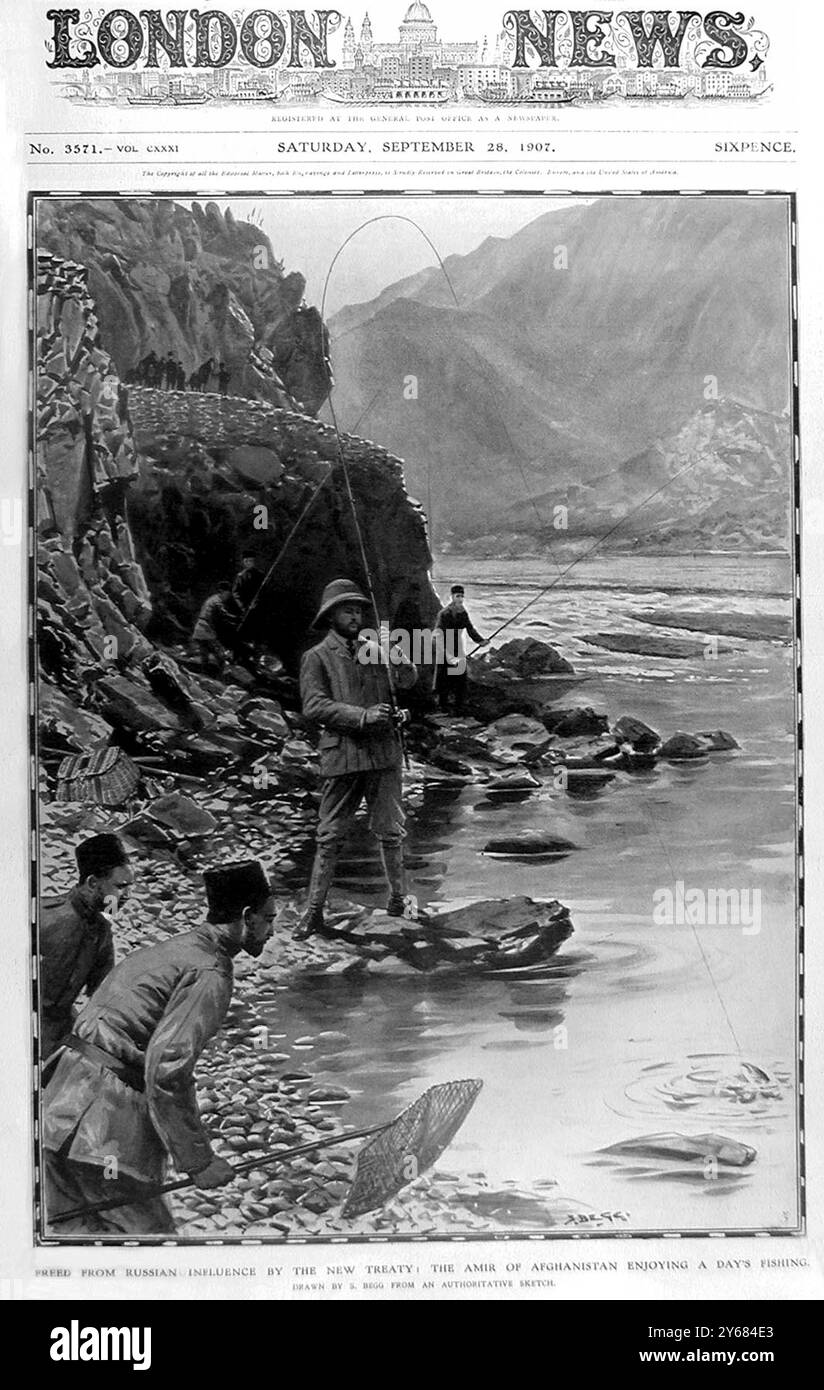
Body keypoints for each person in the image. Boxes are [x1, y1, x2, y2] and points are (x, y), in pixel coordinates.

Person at [41, 861, 276, 1235]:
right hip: (103, 1131)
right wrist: (198, 1161)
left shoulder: (171, 949)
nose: (272, 930)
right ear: (247, 917)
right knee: (152, 1243)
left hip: (57, 1108)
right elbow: (167, 1068)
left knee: (75, 1238)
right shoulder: (210, 971)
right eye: (268, 919)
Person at [296, 579, 417, 940]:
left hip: (383, 754)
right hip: (343, 756)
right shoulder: (316, 656)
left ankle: (398, 900)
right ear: (330, 616)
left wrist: (401, 666)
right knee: (330, 836)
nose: (355, 616)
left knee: (391, 831)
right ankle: (313, 912)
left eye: (358, 611)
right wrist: (362, 717)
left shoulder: (375, 650)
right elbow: (314, 706)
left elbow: (406, 684)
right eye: (347, 610)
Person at [39, 833, 134, 1064]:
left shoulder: (102, 930)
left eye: (130, 887)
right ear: (92, 883)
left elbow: (102, 994)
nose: (127, 896)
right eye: (120, 887)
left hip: (59, 1031)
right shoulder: (44, 917)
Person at [433, 584, 488, 715]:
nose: (460, 599)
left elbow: (470, 629)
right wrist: (448, 655)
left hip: (458, 646)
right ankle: (443, 708)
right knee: (444, 679)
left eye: (462, 596)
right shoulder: (444, 614)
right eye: (458, 596)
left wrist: (480, 641)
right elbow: (437, 635)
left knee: (460, 679)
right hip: (445, 648)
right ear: (452, 597)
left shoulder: (462, 613)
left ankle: (459, 707)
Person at [191, 581, 236, 673]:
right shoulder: (217, 601)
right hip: (205, 628)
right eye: (227, 594)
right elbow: (223, 614)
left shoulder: (212, 599)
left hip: (201, 627)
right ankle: (221, 673)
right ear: (222, 591)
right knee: (217, 652)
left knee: (205, 652)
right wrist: (236, 619)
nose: (228, 596)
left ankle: (205, 671)